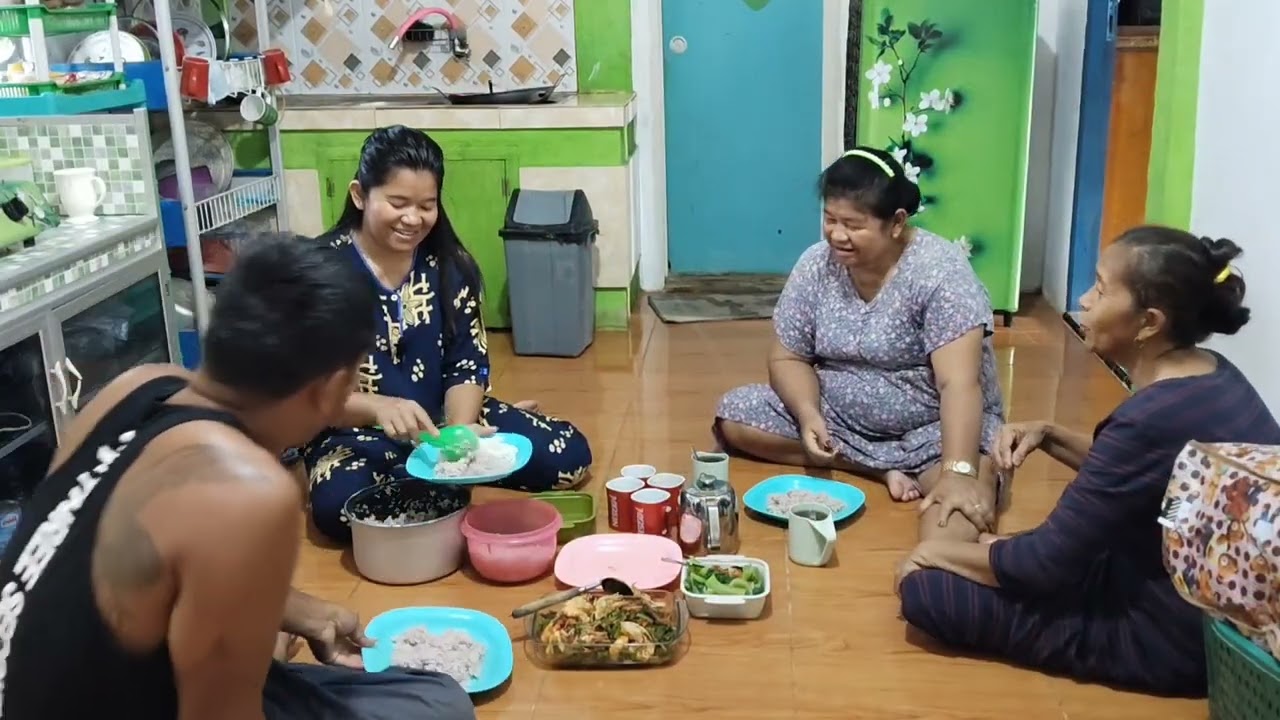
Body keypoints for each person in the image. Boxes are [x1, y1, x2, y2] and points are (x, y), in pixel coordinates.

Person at [0, 236, 475, 719]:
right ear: (333, 388)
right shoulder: (250, 494)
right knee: (439, 707)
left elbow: (118, 569)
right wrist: (257, 654)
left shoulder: (137, 388)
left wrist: (298, 612)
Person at [894, 227, 1280, 696]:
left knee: (928, 591)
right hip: (1191, 594)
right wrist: (1050, 433)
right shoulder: (1213, 373)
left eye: (1100, 288)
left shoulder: (1150, 417)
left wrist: (931, 554)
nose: (1084, 298)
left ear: (1149, 322)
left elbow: (1043, 566)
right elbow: (1151, 481)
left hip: (1169, 636)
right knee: (996, 554)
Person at [304, 125, 592, 542]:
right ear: (359, 195)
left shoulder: (449, 266)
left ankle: (431, 482)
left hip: (444, 426)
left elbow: (467, 364)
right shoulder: (317, 274)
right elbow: (303, 391)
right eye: (398, 203)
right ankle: (419, 481)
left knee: (569, 456)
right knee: (341, 510)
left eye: (426, 205)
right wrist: (377, 407)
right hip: (353, 433)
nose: (413, 219)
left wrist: (458, 439)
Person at [715, 147, 1004, 541]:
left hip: (932, 432)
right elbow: (788, 356)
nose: (836, 234)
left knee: (958, 501)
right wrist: (808, 416)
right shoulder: (817, 265)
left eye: (853, 224)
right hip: (843, 422)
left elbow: (959, 384)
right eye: (830, 219)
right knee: (736, 415)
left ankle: (949, 495)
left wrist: (957, 470)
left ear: (897, 223)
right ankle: (875, 468)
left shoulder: (941, 273)